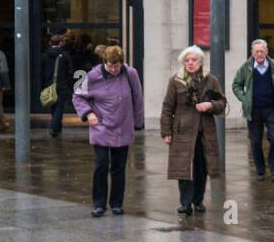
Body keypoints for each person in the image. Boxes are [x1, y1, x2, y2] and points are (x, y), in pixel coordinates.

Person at [73, 44, 143, 218]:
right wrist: (88, 114)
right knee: (101, 165)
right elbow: (77, 96)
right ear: (104, 62)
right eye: (110, 65)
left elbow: (137, 97)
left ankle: (117, 204)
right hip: (101, 127)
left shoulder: (130, 74)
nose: (113, 69)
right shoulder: (93, 75)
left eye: (117, 65)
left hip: (123, 126)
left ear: (122, 63)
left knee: (119, 167)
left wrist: (138, 122)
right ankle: (99, 204)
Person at [160, 46, 225, 215]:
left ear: (200, 61)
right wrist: (166, 131)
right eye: (187, 60)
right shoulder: (175, 80)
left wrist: (210, 105)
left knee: (201, 168)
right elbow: (167, 107)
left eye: (193, 60)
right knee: (183, 167)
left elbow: (222, 103)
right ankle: (185, 203)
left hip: (204, 131)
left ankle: (198, 201)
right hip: (182, 131)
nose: (190, 63)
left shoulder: (211, 80)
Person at [232, 39, 274, 182]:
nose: (259, 54)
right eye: (257, 52)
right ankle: (260, 171)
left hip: (271, 109)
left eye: (262, 51)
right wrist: (245, 98)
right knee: (255, 142)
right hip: (253, 111)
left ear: (267, 52)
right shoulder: (246, 67)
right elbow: (236, 85)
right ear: (252, 53)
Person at [41, 33, 75, 137]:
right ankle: (53, 127)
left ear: (50, 43)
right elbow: (70, 71)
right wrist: (69, 83)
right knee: (60, 107)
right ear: (60, 43)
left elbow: (41, 71)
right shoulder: (64, 55)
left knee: (53, 107)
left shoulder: (44, 55)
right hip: (61, 85)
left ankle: (57, 128)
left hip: (48, 85)